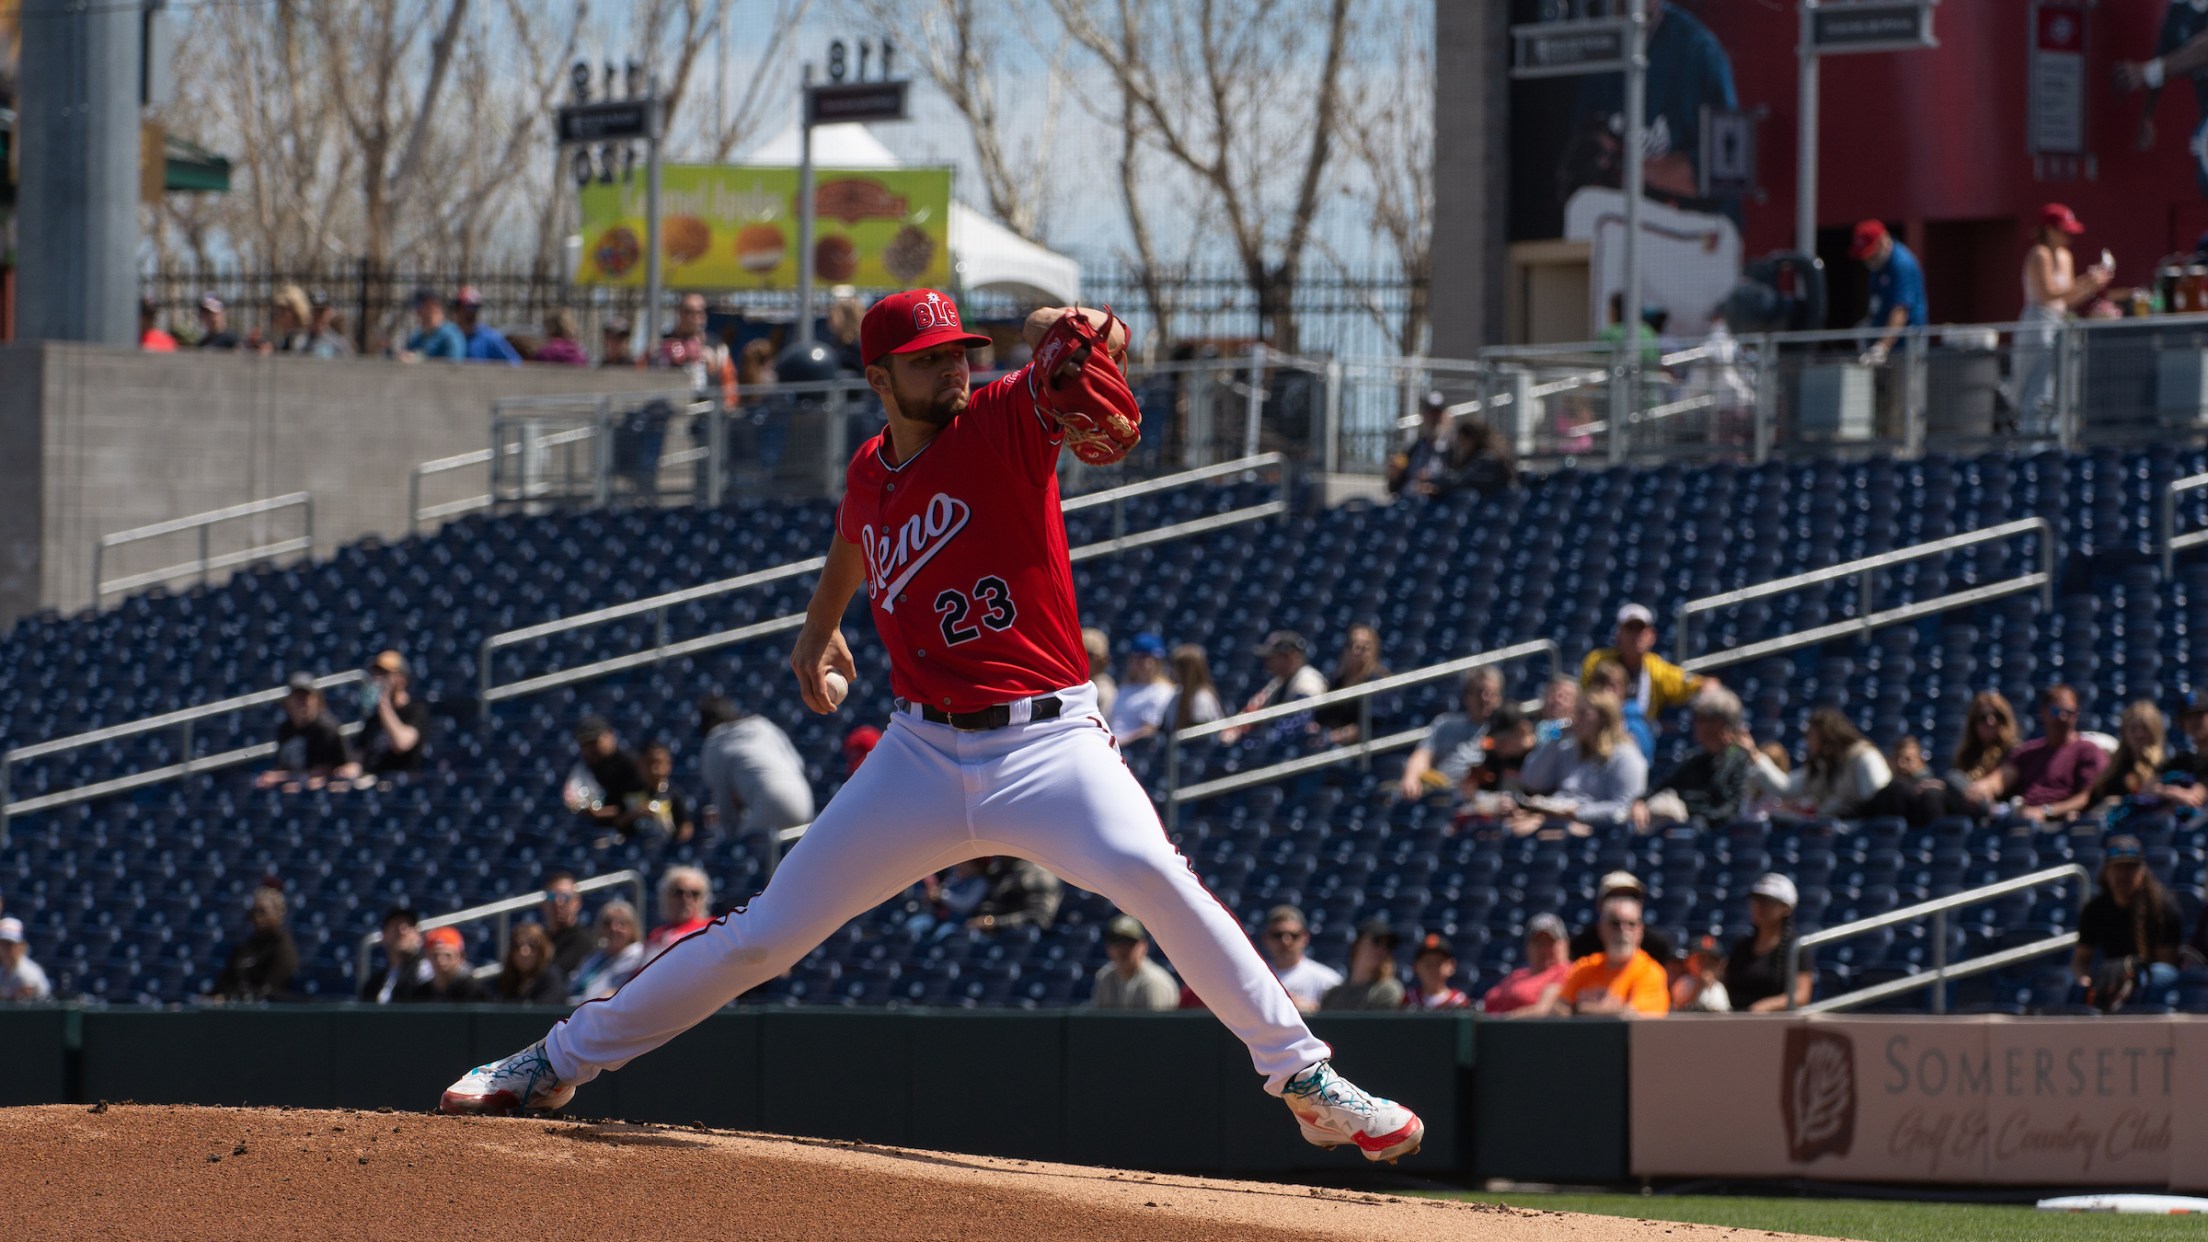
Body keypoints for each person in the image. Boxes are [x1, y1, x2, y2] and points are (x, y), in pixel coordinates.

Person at [441, 289, 1421, 1162]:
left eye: (961, 349)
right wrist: (818, 631)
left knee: (1154, 874)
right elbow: (851, 535)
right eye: (930, 357)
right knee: (764, 935)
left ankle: (1303, 1080)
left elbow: (1094, 340)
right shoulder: (872, 471)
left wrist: (1063, 331)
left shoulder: (1003, 417)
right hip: (917, 752)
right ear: (878, 377)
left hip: (1049, 744)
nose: (955, 366)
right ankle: (552, 1059)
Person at [2013, 203, 2112, 437]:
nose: (2068, 236)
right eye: (2063, 230)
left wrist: (2091, 285)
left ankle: (2055, 443)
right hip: (2038, 325)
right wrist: (2086, 280)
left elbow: (2066, 299)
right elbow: (2048, 293)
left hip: (2058, 324)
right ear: (2049, 229)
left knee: (2060, 387)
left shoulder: (2065, 256)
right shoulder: (2039, 253)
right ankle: (2031, 444)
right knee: (2037, 389)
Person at [2071, 837, 2183, 1011]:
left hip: (2150, 980)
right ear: (2106, 871)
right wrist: (2084, 980)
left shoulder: (2163, 907)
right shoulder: (2095, 909)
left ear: (2142, 871)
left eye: (2130, 868)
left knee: (2161, 974)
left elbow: (2166, 962)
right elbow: (2081, 959)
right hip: (2112, 977)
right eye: (2117, 867)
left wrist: (2133, 972)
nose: (2123, 875)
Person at [1513, 689, 1649, 832]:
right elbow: (1532, 781)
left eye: (1583, 714)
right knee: (1510, 826)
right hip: (1554, 816)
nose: (1575, 720)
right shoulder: (1568, 748)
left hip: (1594, 829)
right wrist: (1556, 739)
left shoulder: (1626, 756)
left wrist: (1577, 812)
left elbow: (1625, 808)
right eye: (1575, 713)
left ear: (1603, 718)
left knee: (1529, 832)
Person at [1967, 684, 2109, 820]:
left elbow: (2086, 797)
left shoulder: (2088, 751)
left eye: (2069, 712)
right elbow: (2001, 779)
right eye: (2056, 711)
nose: (2062, 717)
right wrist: (1984, 787)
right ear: (2043, 712)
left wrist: (2047, 811)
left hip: (2058, 823)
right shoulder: (2027, 752)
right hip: (2021, 818)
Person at [695, 696, 814, 847]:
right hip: (803, 797)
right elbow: (799, 764)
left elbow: (724, 802)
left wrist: (730, 842)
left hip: (770, 802)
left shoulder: (714, 743)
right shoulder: (763, 725)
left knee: (744, 850)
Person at [1524, 894, 1670, 1018]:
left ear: (1640, 930)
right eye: (1615, 923)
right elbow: (1558, 1010)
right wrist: (1610, 1009)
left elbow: (1634, 1017)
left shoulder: (1651, 972)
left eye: (1631, 924)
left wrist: (1580, 1009)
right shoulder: (1585, 967)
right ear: (1601, 929)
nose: (1623, 931)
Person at [1632, 687, 1755, 830]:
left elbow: (1732, 808)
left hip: (1713, 836)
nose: (1695, 724)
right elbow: (1660, 785)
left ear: (1720, 723)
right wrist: (1640, 802)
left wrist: (1696, 821)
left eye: (1702, 719)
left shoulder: (1739, 758)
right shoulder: (1695, 759)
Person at [1744, 708, 1893, 820]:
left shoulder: (1864, 757)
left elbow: (1879, 801)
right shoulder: (1822, 766)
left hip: (1856, 829)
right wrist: (1754, 754)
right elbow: (1786, 788)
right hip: (1829, 830)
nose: (1807, 742)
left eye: (1811, 736)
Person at [1580, 604, 1708, 726]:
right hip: (1601, 728)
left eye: (1641, 629)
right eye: (1630, 628)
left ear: (1652, 636)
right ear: (1618, 635)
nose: (1636, 636)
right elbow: (1583, 697)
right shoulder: (1597, 661)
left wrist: (1707, 687)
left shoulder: (1658, 669)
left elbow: (1700, 684)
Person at [1397, 667, 1503, 801]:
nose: (1485, 699)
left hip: (1481, 797)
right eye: (1479, 692)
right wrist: (1411, 777)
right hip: (1442, 794)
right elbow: (1423, 755)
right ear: (1467, 697)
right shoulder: (1446, 724)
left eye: (1491, 693)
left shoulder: (1504, 729)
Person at [1219, 630, 1331, 745]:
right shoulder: (1277, 683)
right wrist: (1237, 729)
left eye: (1272, 657)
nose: (1266, 662)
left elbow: (1299, 725)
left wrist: (1253, 739)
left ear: (1290, 656)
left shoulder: (1308, 681)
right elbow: (1252, 710)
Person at [1724, 874, 1814, 1012]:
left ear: (1786, 908)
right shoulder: (1741, 946)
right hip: (1734, 1023)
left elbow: (1801, 995)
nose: (1760, 906)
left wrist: (1765, 1006)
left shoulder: (1796, 948)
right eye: (1756, 900)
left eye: (1768, 901)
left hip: (1775, 1026)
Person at [1850, 220, 1926, 368]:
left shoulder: (1901, 263)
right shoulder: (1878, 267)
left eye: (1870, 253)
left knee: (1903, 390)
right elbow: (1875, 304)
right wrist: (1866, 325)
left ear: (1883, 241)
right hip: (1883, 344)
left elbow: (1900, 310)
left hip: (1906, 347)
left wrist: (1882, 347)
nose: (1867, 259)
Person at [256, 673, 352, 789]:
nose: (303, 703)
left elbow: (321, 771)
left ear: (316, 700)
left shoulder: (325, 728)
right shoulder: (286, 729)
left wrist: (281, 777)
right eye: (298, 697)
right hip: (296, 786)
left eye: (306, 697)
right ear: (288, 701)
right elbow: (283, 765)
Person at [563, 717, 653, 841]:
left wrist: (602, 812)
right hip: (602, 832)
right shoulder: (584, 768)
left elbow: (639, 806)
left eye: (594, 742)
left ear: (610, 736)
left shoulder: (630, 764)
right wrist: (583, 806)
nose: (591, 748)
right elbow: (572, 798)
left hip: (635, 832)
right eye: (585, 744)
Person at [212, 884, 299, 1002]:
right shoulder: (245, 947)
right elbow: (224, 983)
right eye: (254, 912)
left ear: (279, 913)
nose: (257, 917)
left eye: (262, 912)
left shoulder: (283, 947)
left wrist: (236, 997)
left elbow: (270, 990)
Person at [1567, 873, 1677, 965]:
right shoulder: (1581, 944)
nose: (1622, 903)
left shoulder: (1658, 945)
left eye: (1630, 898)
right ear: (1600, 904)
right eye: (1614, 897)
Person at [347, 650, 427, 778]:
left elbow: (401, 743)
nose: (379, 678)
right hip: (371, 785)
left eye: (385, 673)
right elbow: (358, 759)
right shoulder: (373, 719)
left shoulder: (415, 711)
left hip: (399, 787)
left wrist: (384, 705)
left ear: (402, 679)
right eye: (376, 673)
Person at [2081, 701, 2169, 811]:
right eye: (2133, 728)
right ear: (2125, 732)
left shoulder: (2162, 767)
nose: (2138, 734)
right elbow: (2095, 798)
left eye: (2145, 728)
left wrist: (2121, 802)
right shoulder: (2114, 767)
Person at [1260, 904, 1344, 1015]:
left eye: (1293, 935)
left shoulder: (1326, 980)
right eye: (1277, 935)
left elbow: (1340, 1018)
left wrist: (1314, 1010)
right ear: (1266, 939)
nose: (1285, 941)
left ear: (1305, 938)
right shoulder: (1258, 977)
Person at [1481, 914, 1571, 1016]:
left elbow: (1543, 1010)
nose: (1544, 949)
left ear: (1565, 944)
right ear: (1528, 947)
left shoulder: (1566, 972)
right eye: (1539, 943)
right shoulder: (1517, 975)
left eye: (1550, 943)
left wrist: (1502, 1019)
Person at [1314, 624, 1389, 743]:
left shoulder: (1376, 681)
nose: (1358, 650)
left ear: (1374, 650)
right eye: (1354, 644)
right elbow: (1322, 716)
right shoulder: (1337, 680)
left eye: (1365, 646)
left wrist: (1336, 736)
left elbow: (1371, 725)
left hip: (1362, 750)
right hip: (1333, 744)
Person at [1090, 913, 1180, 1010]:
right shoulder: (1105, 977)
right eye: (1115, 940)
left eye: (1129, 941)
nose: (1122, 948)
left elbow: (1156, 1025)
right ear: (1108, 947)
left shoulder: (1154, 982)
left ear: (1144, 946)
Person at [1950, 690, 2022, 806]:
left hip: (1998, 809)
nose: (1990, 722)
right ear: (1974, 723)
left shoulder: (2014, 752)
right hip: (1966, 809)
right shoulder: (1966, 755)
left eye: (1997, 716)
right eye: (1983, 717)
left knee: (1953, 778)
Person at [568, 899, 646, 1003]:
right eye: (607, 923)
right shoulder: (594, 957)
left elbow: (621, 992)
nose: (613, 928)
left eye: (622, 923)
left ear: (632, 929)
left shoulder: (639, 957)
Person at [654, 292, 731, 396]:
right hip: (670, 404)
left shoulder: (717, 346)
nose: (694, 317)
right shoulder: (661, 344)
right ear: (679, 313)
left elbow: (729, 384)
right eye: (688, 312)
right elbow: (641, 372)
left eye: (699, 312)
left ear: (704, 315)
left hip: (706, 407)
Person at [1321, 921, 1407, 1011]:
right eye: (1376, 941)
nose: (1382, 949)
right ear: (1357, 945)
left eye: (1388, 945)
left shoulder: (1388, 991)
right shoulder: (1333, 994)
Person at [1108, 632, 1178, 742]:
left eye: (1145, 657)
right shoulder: (1124, 688)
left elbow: (1150, 729)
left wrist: (1117, 743)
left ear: (1157, 661)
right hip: (1113, 745)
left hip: (1135, 749)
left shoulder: (1163, 690)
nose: (1140, 662)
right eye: (1136, 657)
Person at [1584, 658, 1657, 761]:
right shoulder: (1583, 718)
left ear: (1624, 691)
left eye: (1613, 686)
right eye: (1601, 684)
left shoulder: (1636, 726)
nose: (1607, 691)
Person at [968, 857, 1062, 934]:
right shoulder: (998, 869)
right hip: (993, 940)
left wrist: (992, 923)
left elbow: (1040, 919)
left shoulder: (1040, 875)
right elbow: (989, 906)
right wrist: (986, 919)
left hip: (1025, 944)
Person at [1385, 392, 1452, 498]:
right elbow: (1394, 488)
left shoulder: (1452, 451)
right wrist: (1395, 475)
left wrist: (1435, 485)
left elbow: (1456, 481)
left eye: (1438, 414)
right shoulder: (1413, 449)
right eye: (1431, 414)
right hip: (1408, 503)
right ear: (1424, 417)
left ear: (1447, 417)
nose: (1434, 419)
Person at [359, 906, 430, 1004]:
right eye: (395, 926)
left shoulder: (426, 971)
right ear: (384, 936)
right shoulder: (374, 983)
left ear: (419, 937)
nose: (402, 931)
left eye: (408, 926)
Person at [642, 866, 714, 960]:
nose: (686, 898)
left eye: (694, 893)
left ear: (703, 899)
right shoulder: (655, 934)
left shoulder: (713, 928)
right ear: (666, 896)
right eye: (679, 893)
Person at [635, 742, 697, 844]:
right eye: (649, 763)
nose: (654, 769)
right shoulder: (629, 791)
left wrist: (680, 836)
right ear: (639, 764)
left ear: (668, 765)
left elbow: (685, 825)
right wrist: (634, 814)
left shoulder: (673, 793)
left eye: (660, 763)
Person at [493, 924, 568, 1005]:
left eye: (532, 946)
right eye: (517, 946)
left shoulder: (551, 978)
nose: (523, 952)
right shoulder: (506, 979)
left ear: (542, 950)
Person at [539, 873, 594, 976]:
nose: (558, 902)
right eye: (551, 896)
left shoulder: (583, 941)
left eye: (565, 897)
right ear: (543, 904)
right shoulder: (539, 940)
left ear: (577, 903)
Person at [409, 927, 484, 1003]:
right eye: (435, 955)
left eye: (447, 955)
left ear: (461, 957)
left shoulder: (473, 990)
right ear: (427, 957)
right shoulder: (421, 993)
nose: (440, 961)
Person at [452, 286, 522, 365]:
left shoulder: (490, 337)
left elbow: (515, 363)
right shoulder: (450, 336)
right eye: (468, 307)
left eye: (475, 307)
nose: (471, 312)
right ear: (457, 309)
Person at [1403, 933, 1471, 1010]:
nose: (1433, 969)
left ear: (1452, 966)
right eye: (1428, 963)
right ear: (1416, 967)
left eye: (1438, 963)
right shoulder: (1408, 999)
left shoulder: (1459, 1001)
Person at [1168, 643, 1225, 735]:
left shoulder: (1202, 697)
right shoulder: (1176, 694)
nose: (1171, 671)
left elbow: (1200, 738)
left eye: (1176, 667)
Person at [396, 288, 465, 362]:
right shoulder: (417, 336)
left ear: (432, 305)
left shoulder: (451, 334)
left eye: (419, 305)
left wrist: (417, 359)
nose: (417, 311)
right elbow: (409, 353)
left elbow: (454, 362)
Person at [1672, 935, 1731, 1013]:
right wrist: (1699, 986)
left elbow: (1725, 1014)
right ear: (1688, 962)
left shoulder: (1718, 987)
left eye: (1711, 961)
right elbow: (1679, 1008)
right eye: (1700, 959)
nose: (1705, 964)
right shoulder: (1684, 982)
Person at [0, 918, 53, 1002]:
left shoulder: (28, 972)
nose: (5, 949)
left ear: (21, 946)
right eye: (2, 944)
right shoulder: (3, 970)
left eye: (9, 945)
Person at [258, 285, 312, 354]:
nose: (277, 314)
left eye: (282, 309)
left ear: (294, 311)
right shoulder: (282, 339)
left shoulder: (304, 341)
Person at [1082, 627, 1118, 722]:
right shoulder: (1069, 683)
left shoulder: (1104, 689)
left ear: (1103, 660)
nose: (1082, 658)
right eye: (1080, 653)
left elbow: (1101, 726)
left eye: (1089, 655)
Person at [303, 290, 353, 357]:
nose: (317, 315)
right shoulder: (299, 342)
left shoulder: (338, 344)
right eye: (314, 311)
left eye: (321, 312)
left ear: (329, 312)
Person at [1535, 675, 1578, 747]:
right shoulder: (1529, 733)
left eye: (1565, 697)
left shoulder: (1577, 738)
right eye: (1553, 694)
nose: (1557, 700)